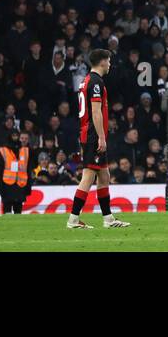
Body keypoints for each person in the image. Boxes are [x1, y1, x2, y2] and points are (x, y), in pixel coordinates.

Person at [67, 49, 130, 230]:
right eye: (109, 61)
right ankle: (73, 219)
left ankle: (108, 219)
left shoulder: (87, 80)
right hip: (93, 135)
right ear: (102, 62)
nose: (110, 64)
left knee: (104, 175)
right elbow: (95, 111)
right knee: (88, 175)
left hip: (89, 133)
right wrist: (101, 137)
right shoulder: (95, 82)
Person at [0, 132, 32, 214]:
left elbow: (28, 170)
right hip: (7, 185)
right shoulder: (3, 151)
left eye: (17, 135)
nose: (15, 137)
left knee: (18, 212)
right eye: (13, 135)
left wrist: (28, 187)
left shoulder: (25, 151)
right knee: (7, 212)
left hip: (20, 185)